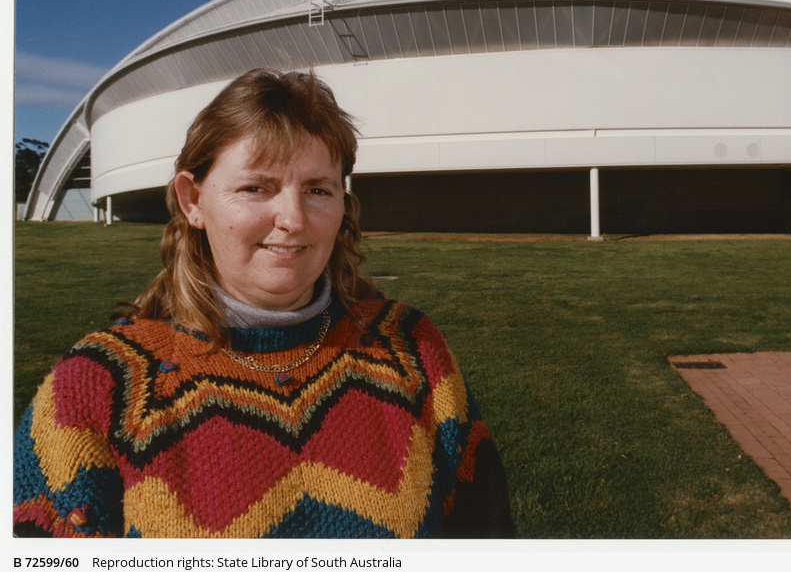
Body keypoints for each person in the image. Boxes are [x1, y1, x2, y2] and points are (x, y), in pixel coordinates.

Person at [14, 68, 514, 539]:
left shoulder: (411, 350)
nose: (293, 219)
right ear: (192, 200)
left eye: (317, 189)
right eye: (256, 187)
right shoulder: (97, 385)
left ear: (342, 203)